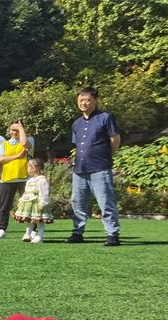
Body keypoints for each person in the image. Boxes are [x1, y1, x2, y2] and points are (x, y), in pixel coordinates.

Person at [70, 86, 122, 246]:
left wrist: (106, 155)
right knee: (77, 202)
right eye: (81, 100)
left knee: (106, 202)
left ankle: (112, 234)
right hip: (79, 169)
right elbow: (76, 145)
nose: (83, 103)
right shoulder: (76, 124)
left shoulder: (106, 118)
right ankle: (77, 233)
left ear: (95, 101)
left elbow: (115, 140)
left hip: (100, 167)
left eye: (87, 100)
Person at [0, 121, 32, 240]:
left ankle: (32, 230)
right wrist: (17, 156)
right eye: (13, 130)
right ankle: (1, 229)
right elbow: (1, 159)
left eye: (17, 130)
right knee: (4, 206)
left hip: (24, 178)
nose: (14, 132)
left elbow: (25, 143)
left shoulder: (28, 141)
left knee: (29, 205)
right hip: (7, 179)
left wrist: (20, 128)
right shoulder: (4, 144)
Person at [13, 158, 52, 243]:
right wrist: (21, 200)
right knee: (30, 219)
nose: (27, 169)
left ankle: (40, 235)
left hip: (37, 203)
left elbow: (44, 192)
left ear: (35, 168)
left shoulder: (42, 180)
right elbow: (26, 192)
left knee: (40, 220)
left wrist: (43, 202)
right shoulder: (30, 180)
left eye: (28, 167)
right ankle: (28, 234)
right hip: (29, 204)